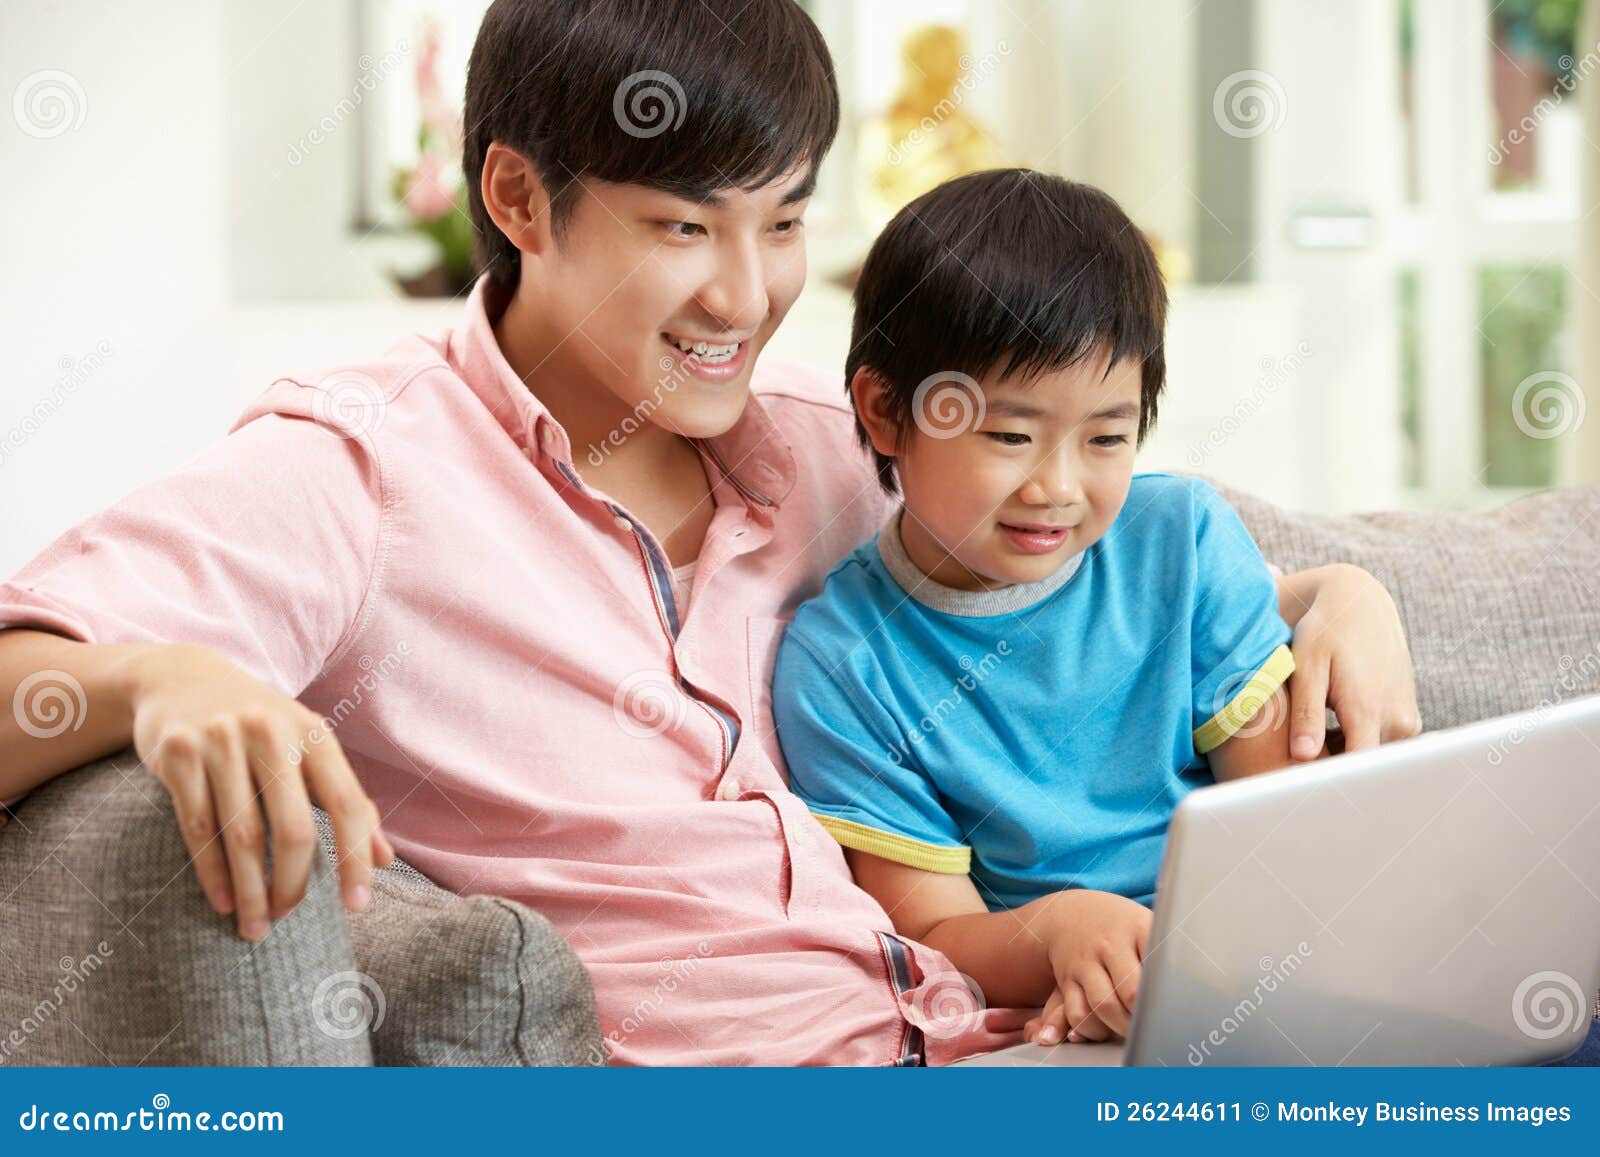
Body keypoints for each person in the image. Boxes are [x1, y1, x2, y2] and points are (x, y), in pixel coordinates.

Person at [0, 0, 1421, 1065]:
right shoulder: (359, 473)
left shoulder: (819, 438)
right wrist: (154, 678)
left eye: (786, 222)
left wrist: (1327, 590)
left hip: (991, 1050)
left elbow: (1069, 558)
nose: (748, 295)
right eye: (687, 228)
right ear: (516, 200)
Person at [775, 169, 1319, 1048]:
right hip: (1079, 1022)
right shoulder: (844, 662)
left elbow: (1290, 818)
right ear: (885, 411)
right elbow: (940, 932)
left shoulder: (1180, 541)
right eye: (1010, 436)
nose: (1058, 487)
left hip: (1264, 968)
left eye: (1107, 436)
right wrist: (1065, 929)